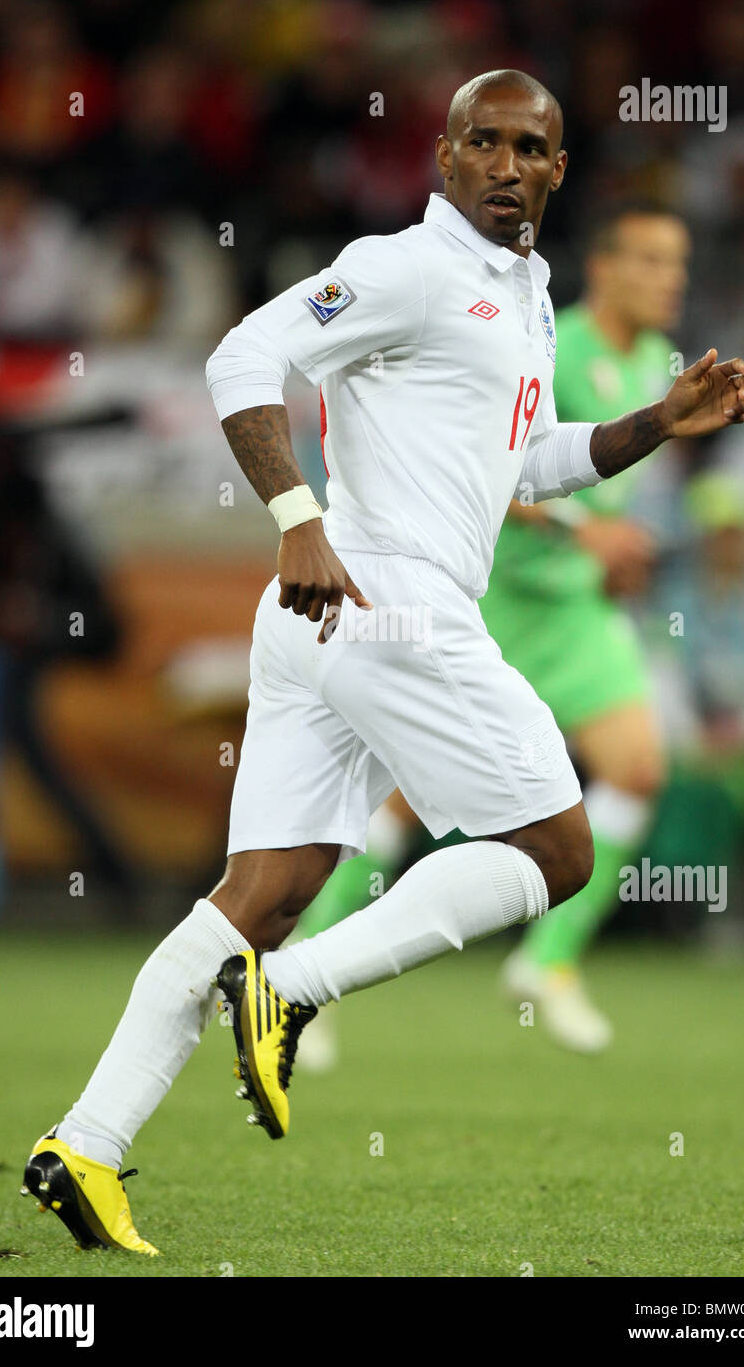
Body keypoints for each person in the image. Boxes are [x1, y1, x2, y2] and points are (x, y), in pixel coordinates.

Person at [22, 69, 744, 1254]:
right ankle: (295, 991)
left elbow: (530, 464)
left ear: (558, 169)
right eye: (484, 142)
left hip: (327, 620)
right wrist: (295, 516)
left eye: (530, 147)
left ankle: (86, 1144)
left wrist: (656, 424)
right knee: (559, 850)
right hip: (381, 596)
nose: (506, 166)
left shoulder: (524, 295)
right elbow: (241, 357)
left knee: (260, 894)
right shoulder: (406, 268)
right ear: (444, 156)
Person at [295, 203, 691, 1064]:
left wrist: (613, 550)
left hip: (574, 609)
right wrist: (585, 532)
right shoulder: (556, 342)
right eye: (652, 260)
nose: (672, 278)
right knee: (406, 796)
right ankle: (305, 971)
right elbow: (491, 468)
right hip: (489, 595)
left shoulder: (647, 361)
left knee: (638, 768)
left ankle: (546, 962)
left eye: (678, 262)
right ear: (605, 266)